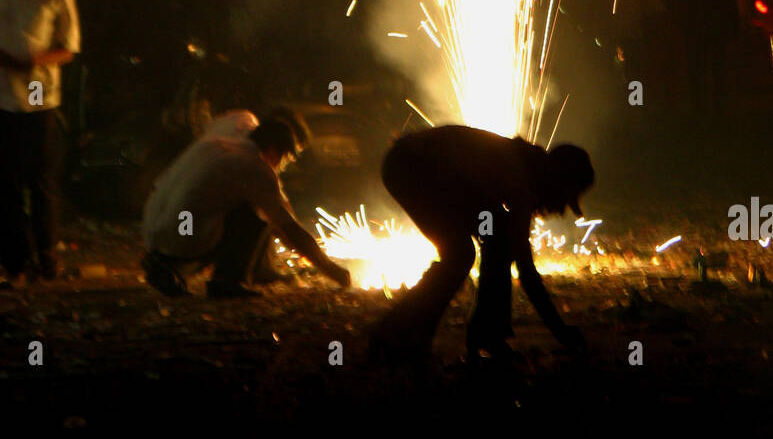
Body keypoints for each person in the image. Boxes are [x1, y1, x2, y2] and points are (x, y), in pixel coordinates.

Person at [370, 125, 594, 363]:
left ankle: (473, 336)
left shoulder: (523, 165)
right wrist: (560, 330)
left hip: (418, 164)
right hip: (411, 166)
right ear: (557, 181)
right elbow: (526, 271)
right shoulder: (519, 180)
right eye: (563, 199)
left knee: (493, 238)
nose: (558, 210)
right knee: (460, 255)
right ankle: (395, 334)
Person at [141, 106, 350, 298]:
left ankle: (168, 266)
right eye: (286, 158)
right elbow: (287, 228)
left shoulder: (215, 143)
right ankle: (226, 282)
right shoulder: (256, 167)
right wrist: (331, 270)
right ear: (272, 149)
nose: (283, 165)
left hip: (155, 230)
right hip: (184, 240)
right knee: (255, 215)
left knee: (246, 208)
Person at [0, 0, 81, 282]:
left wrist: (31, 61)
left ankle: (48, 254)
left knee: (43, 180)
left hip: (39, 98)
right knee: (6, 182)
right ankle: (16, 259)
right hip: (1, 97)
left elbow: (68, 47)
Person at [679, 0, 740, 115]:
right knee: (717, 70)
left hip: (697, 32)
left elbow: (682, 5)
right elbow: (729, 6)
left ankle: (699, 107)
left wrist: (685, 27)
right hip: (715, 31)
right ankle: (718, 107)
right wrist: (733, 29)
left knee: (697, 71)